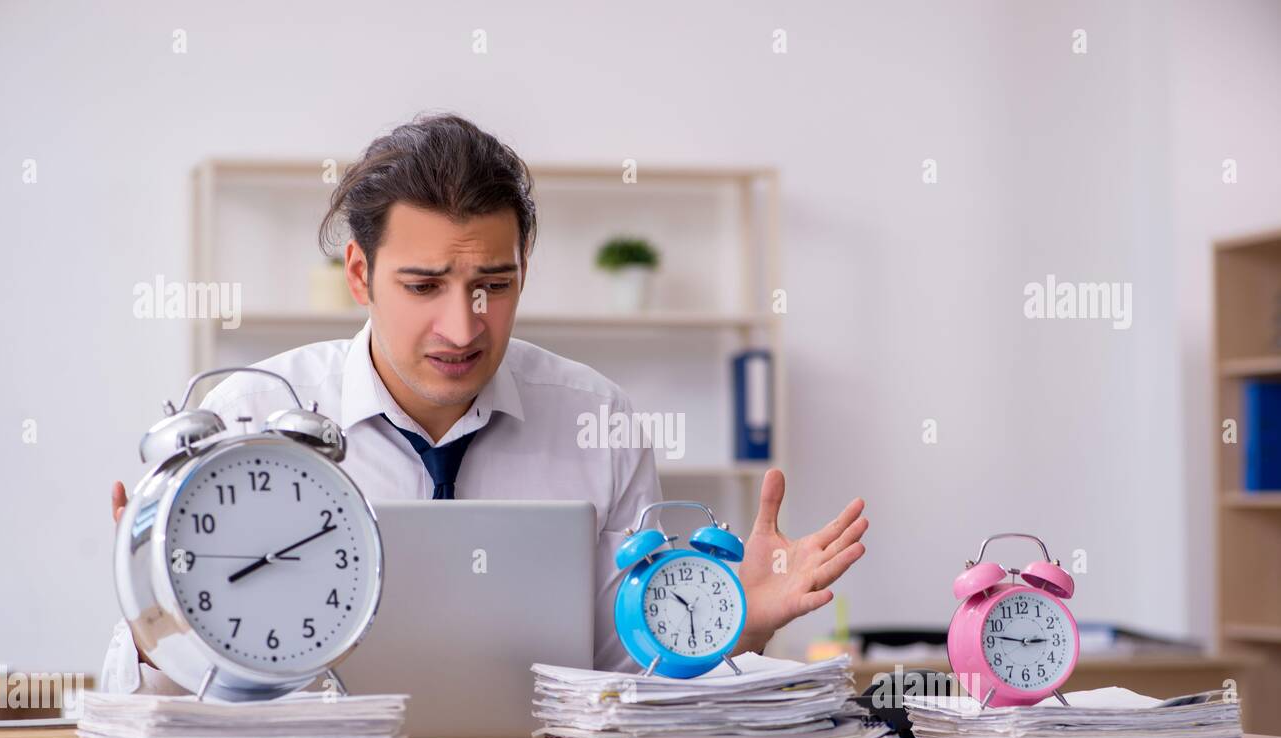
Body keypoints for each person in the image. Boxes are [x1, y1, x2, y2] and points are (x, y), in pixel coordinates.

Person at [102, 112, 868, 694]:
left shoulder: (598, 422)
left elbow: (630, 683)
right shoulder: (247, 421)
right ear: (360, 275)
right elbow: (146, 702)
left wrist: (734, 626)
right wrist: (155, 616)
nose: (463, 326)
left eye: (492, 285)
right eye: (424, 285)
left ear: (522, 270)